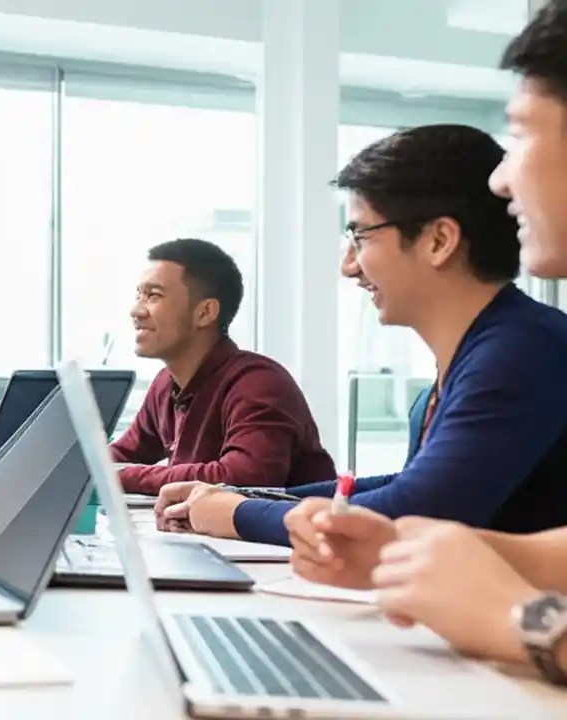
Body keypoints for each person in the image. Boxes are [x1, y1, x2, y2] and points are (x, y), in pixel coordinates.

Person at [283, 1, 567, 684]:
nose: (502, 179)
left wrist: (520, 618)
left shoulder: (523, 347)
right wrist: (407, 549)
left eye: (524, 133)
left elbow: (427, 498)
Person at [153, 124, 567, 546]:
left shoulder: (522, 352)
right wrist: (242, 497)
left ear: (439, 241)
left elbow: (415, 511)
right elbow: (408, 484)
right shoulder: (485, 353)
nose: (348, 265)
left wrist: (239, 514)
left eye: (360, 236)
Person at [110, 238, 335, 493]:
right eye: (138, 295)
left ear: (205, 312)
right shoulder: (166, 384)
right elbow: (118, 458)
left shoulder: (259, 383)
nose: (136, 310)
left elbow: (242, 477)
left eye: (154, 295)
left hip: (287, 532)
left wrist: (123, 476)